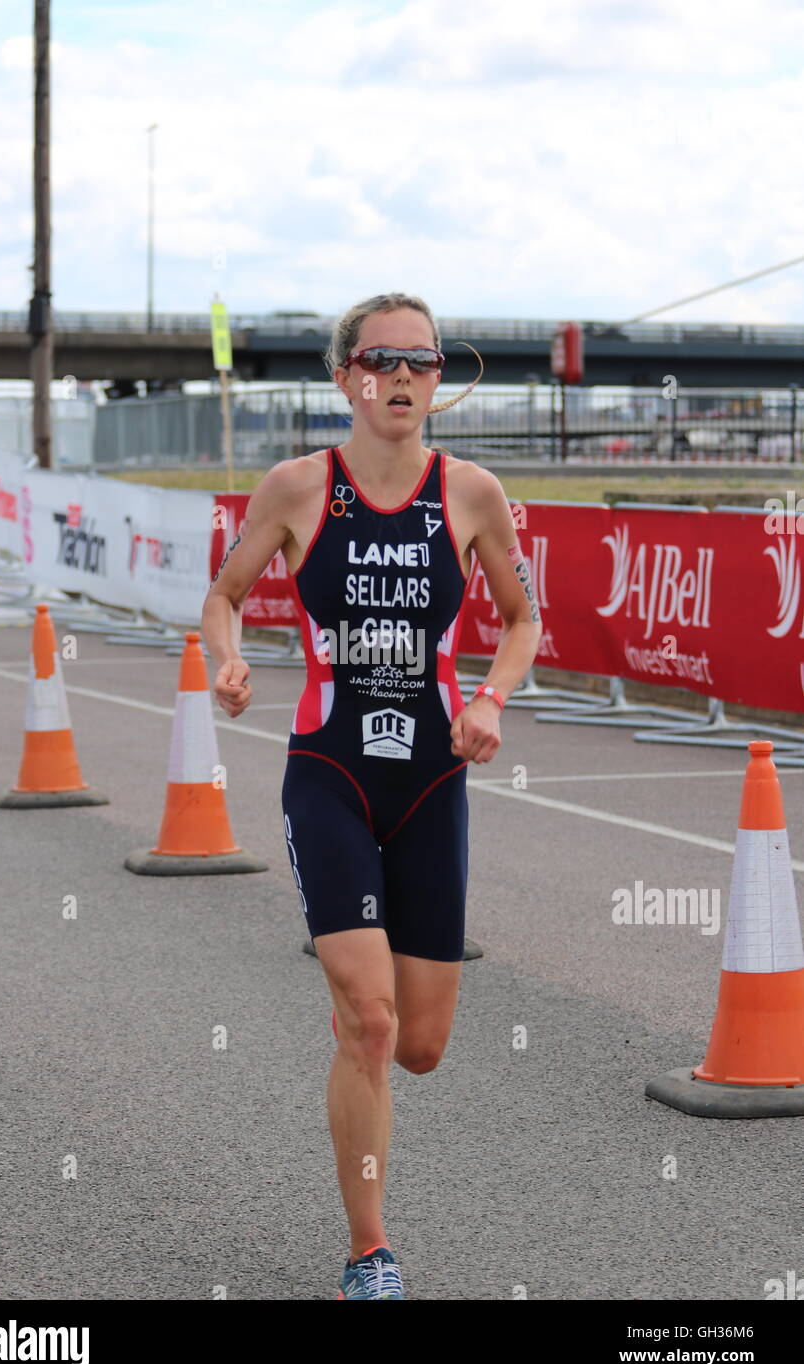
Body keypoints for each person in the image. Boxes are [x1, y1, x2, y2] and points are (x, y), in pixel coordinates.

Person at [201, 291, 542, 1300]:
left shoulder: (472, 492)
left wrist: (488, 698)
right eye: (381, 359)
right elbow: (223, 595)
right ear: (344, 375)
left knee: (422, 1045)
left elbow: (521, 622)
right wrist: (226, 662)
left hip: (432, 780)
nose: (401, 377)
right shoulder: (298, 487)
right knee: (373, 1021)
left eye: (422, 361)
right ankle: (369, 1250)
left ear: (440, 382)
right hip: (331, 771)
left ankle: (361, 1040)